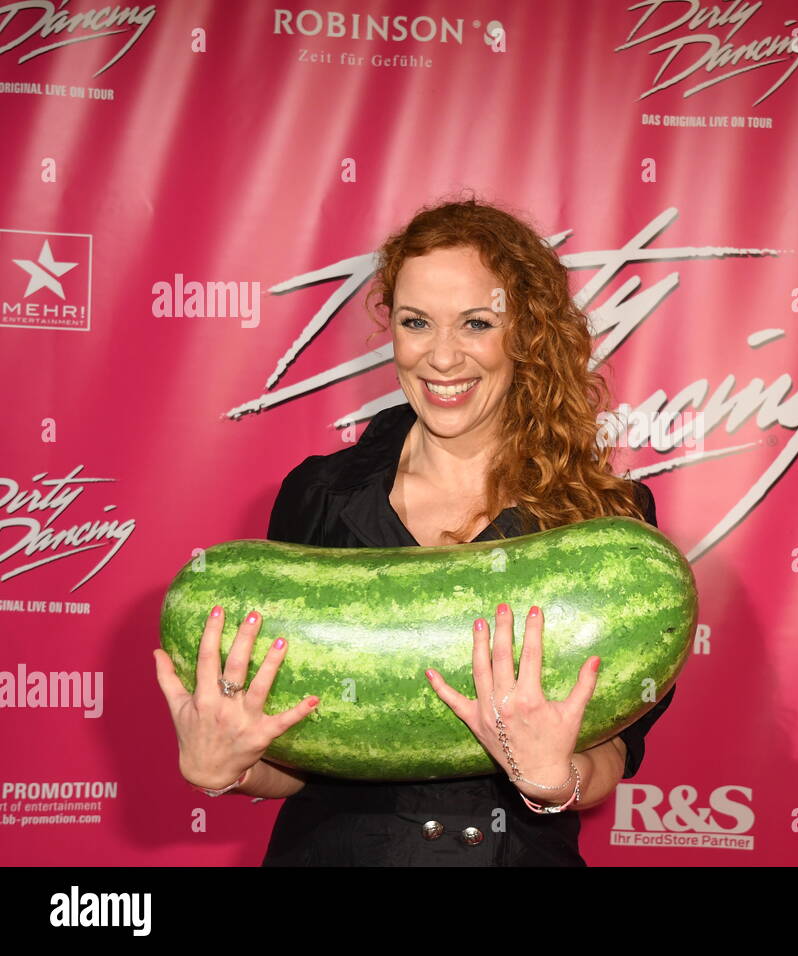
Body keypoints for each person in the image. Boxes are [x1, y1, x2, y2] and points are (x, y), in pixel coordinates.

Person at [152, 195, 677, 865]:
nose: (442, 357)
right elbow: (300, 758)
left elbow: (610, 751)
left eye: (476, 323)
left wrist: (553, 779)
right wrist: (225, 766)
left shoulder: (609, 520)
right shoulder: (318, 495)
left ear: (527, 333)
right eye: (416, 322)